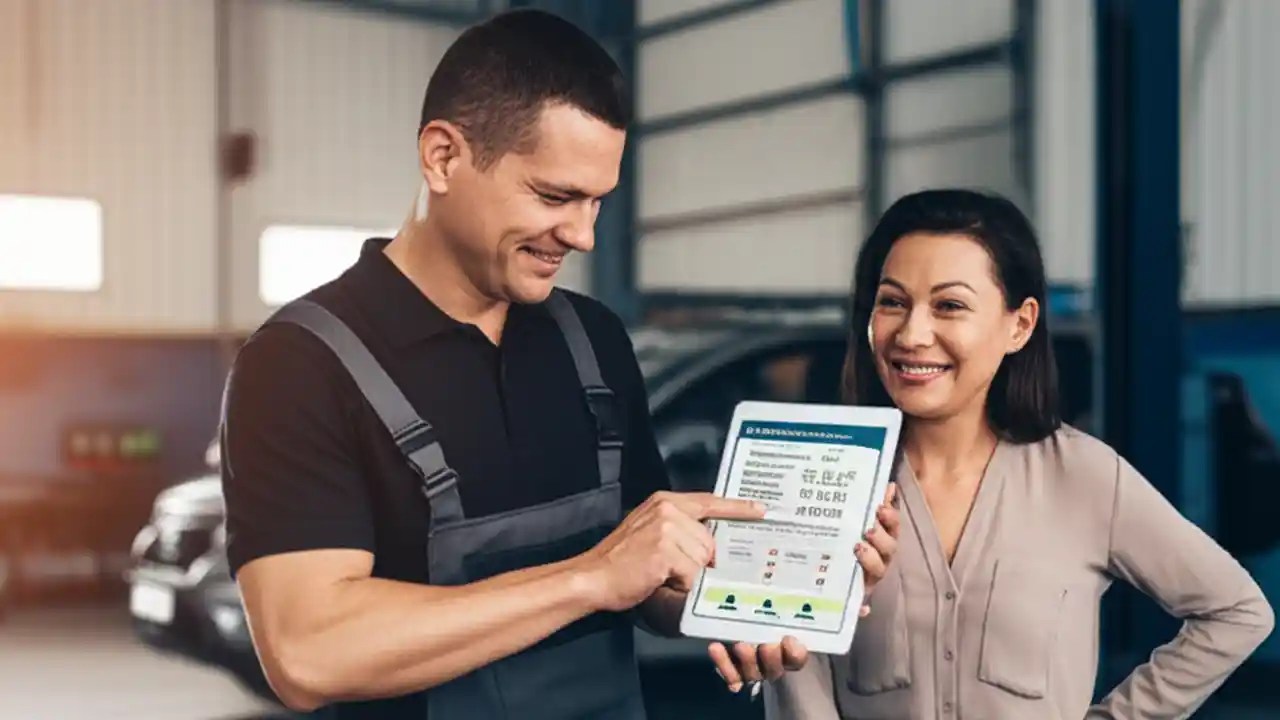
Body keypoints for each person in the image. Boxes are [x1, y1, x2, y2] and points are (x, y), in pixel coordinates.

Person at [218, 9, 900, 719]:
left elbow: (648, 587)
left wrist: (764, 594)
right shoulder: (299, 366)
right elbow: (309, 652)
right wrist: (589, 578)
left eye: (598, 201)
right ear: (443, 157)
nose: (581, 234)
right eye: (554, 196)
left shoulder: (593, 341)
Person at [765, 189, 1275, 719]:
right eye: (893, 302)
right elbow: (793, 670)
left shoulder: (1082, 477)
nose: (912, 334)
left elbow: (1236, 611)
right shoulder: (822, 476)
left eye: (949, 306)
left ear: (1020, 325)